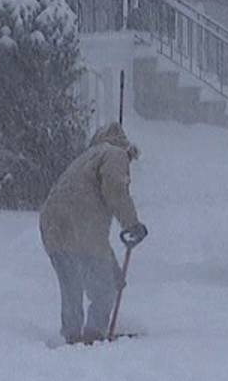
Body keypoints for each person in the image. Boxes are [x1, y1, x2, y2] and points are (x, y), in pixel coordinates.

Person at [39, 123, 147, 344]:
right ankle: (93, 337)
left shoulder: (85, 159)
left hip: (51, 226)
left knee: (71, 286)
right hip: (80, 224)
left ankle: (72, 336)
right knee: (104, 289)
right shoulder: (115, 153)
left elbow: (93, 238)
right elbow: (115, 189)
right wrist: (131, 223)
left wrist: (114, 270)